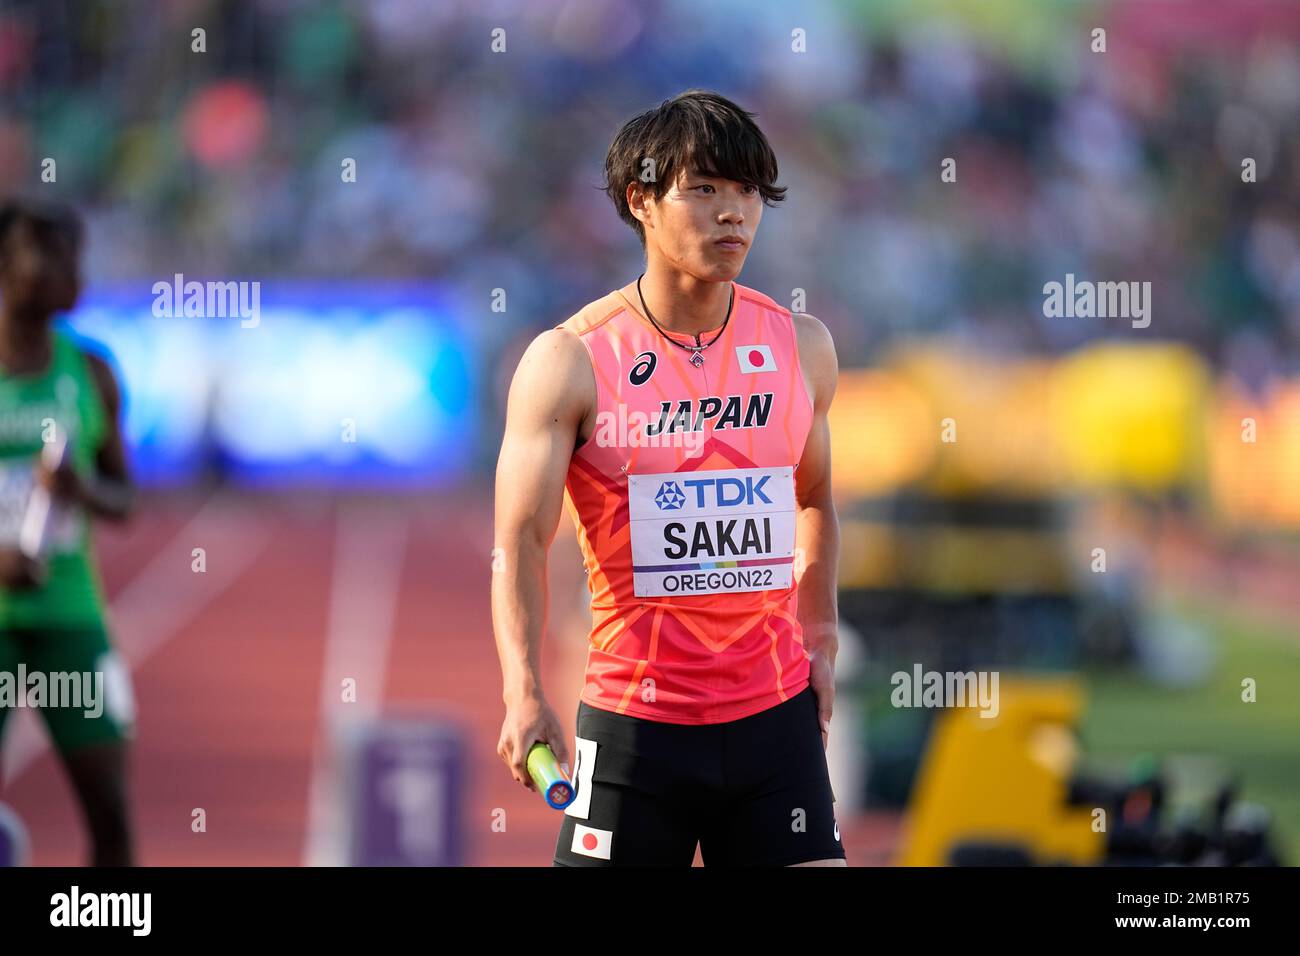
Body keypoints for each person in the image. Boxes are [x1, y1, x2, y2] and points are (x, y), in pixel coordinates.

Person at [493, 91, 844, 866]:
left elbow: (813, 495)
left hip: (775, 725)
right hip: (632, 734)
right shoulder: (571, 361)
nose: (734, 214)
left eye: (749, 191)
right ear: (641, 201)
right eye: (706, 189)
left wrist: (821, 636)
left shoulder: (802, 346)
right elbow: (519, 537)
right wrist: (523, 688)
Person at [0, 199, 136, 866]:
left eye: (75, 255)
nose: (69, 272)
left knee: (110, 813)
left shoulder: (92, 372)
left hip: (71, 616)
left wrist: (83, 490)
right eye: (48, 255)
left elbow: (125, 498)